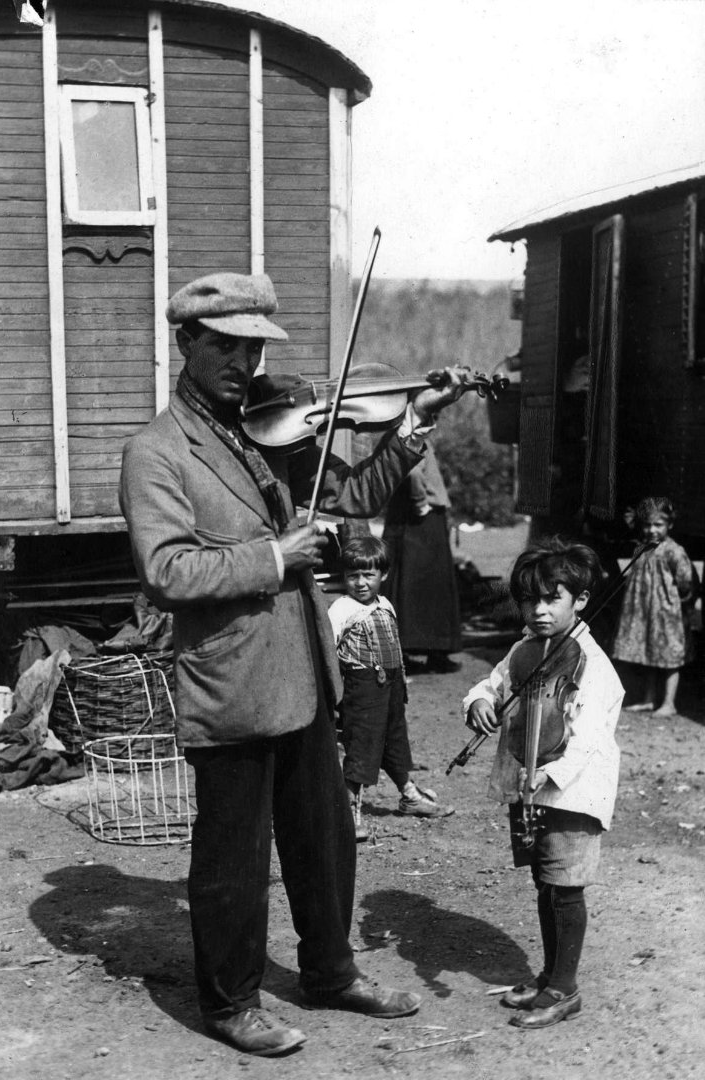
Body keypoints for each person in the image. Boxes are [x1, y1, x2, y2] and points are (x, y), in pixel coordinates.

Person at [119, 271, 465, 1058]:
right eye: (228, 347)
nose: (246, 363)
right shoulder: (157, 453)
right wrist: (275, 555)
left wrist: (410, 426)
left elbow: (348, 499)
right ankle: (231, 1002)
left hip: (307, 672)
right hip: (235, 681)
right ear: (188, 344)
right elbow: (167, 571)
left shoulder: (270, 432)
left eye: (255, 348)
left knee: (324, 838)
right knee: (233, 859)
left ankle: (330, 971)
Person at [461, 537, 623, 1030]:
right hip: (527, 784)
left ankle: (565, 988)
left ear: (580, 600)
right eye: (530, 599)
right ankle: (550, 972)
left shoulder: (594, 664)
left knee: (566, 887)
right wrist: (479, 703)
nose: (539, 610)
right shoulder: (522, 650)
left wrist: (549, 773)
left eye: (552, 599)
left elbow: (591, 736)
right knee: (544, 881)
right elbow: (490, 685)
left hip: (572, 791)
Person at [328, 535, 454, 842]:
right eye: (352, 576)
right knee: (362, 745)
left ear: (383, 575)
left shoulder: (385, 604)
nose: (360, 583)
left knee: (394, 740)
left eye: (368, 575)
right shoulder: (341, 609)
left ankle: (409, 796)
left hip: (392, 685)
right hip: (361, 689)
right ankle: (348, 813)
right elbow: (328, 650)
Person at [611, 497, 697, 716]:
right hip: (644, 612)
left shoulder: (673, 551)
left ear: (669, 525)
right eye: (647, 525)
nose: (651, 530)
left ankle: (669, 703)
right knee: (650, 654)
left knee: (669, 658)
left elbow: (686, 580)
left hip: (666, 613)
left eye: (658, 525)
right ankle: (649, 699)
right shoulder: (642, 548)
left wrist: (680, 603)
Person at [382, 446, 462, 673]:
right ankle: (427, 650)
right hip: (418, 518)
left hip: (409, 516)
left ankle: (418, 649)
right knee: (426, 583)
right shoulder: (412, 432)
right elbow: (413, 471)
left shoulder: (402, 431)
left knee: (411, 582)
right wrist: (420, 503)